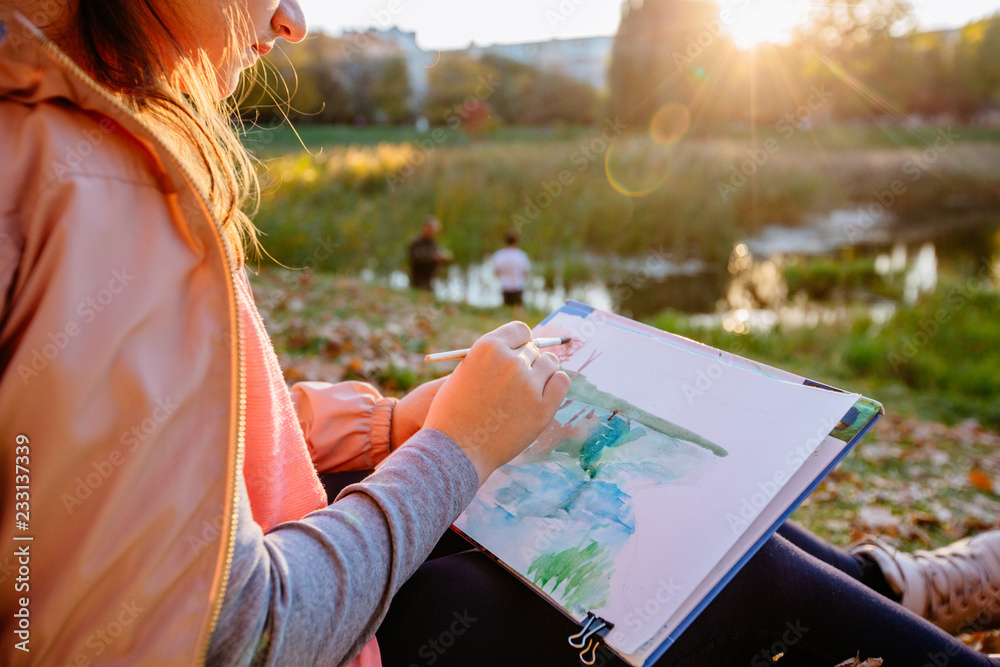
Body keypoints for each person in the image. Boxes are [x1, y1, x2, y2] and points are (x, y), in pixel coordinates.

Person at [1, 3, 999, 666]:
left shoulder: (53, 135)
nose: (291, 18)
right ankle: (898, 599)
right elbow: (225, 641)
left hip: (276, 579)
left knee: (589, 480)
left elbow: (150, 440)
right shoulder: (86, 172)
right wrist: (456, 447)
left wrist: (394, 425)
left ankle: (893, 585)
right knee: (642, 547)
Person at [408, 215, 451, 291]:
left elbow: (444, 257)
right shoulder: (416, 242)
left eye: (434, 231)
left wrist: (444, 257)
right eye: (432, 230)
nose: (433, 233)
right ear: (425, 227)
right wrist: (433, 257)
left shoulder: (433, 243)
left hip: (430, 282)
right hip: (417, 281)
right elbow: (417, 257)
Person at [492, 231, 531, 315]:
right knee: (518, 310)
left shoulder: (499, 255)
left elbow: (496, 273)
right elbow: (525, 272)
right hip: (518, 286)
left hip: (505, 286)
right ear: (516, 242)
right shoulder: (521, 255)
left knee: (506, 310)